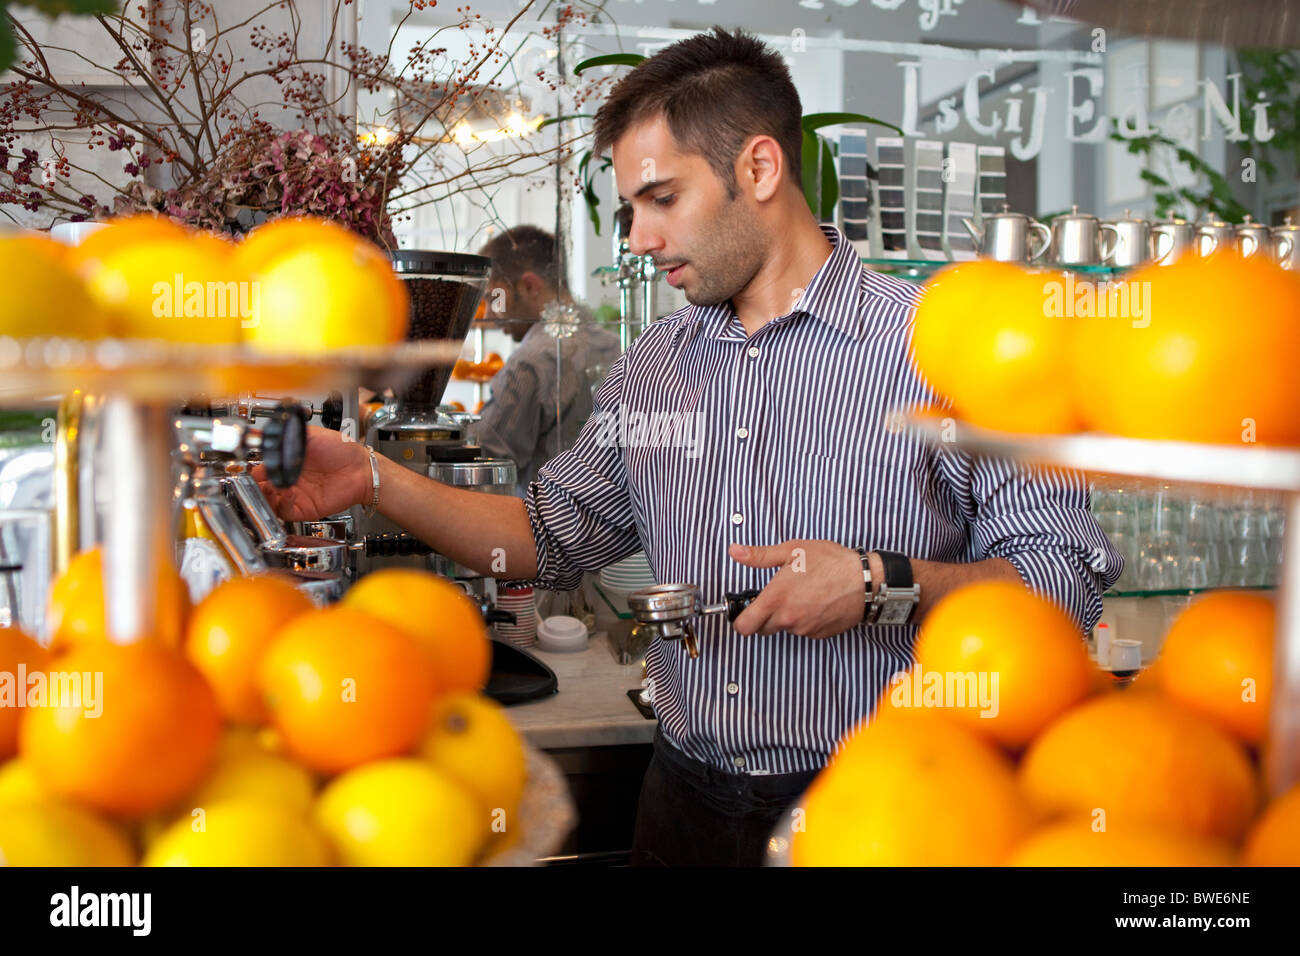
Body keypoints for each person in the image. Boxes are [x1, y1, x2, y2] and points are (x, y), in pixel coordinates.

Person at [258, 27, 1122, 867]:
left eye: (661, 199)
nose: (637, 238)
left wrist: (880, 583)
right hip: (679, 805)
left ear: (759, 167)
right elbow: (548, 532)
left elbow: (1064, 576)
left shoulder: (938, 348)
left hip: (886, 808)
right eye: (633, 208)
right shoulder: (656, 366)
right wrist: (370, 477)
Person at [474, 226, 622, 496]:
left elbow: (485, 470)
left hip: (545, 530)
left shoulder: (530, 363)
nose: (491, 316)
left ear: (529, 285)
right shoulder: (614, 345)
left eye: (494, 297)